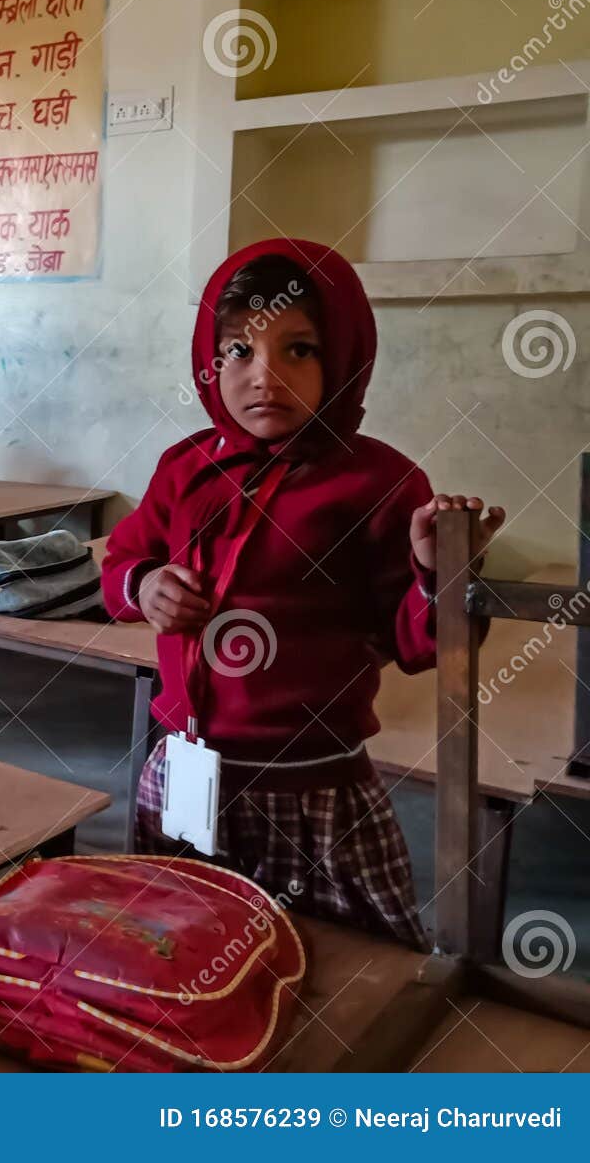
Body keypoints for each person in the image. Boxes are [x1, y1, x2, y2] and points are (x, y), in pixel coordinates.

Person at [101, 239, 504, 950]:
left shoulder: (378, 484)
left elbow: (422, 645)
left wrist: (438, 574)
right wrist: (145, 585)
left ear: (344, 358)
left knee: (348, 973)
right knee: (180, 956)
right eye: (238, 351)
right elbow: (125, 559)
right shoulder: (185, 467)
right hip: (185, 770)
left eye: (300, 351)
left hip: (314, 788)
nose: (264, 377)